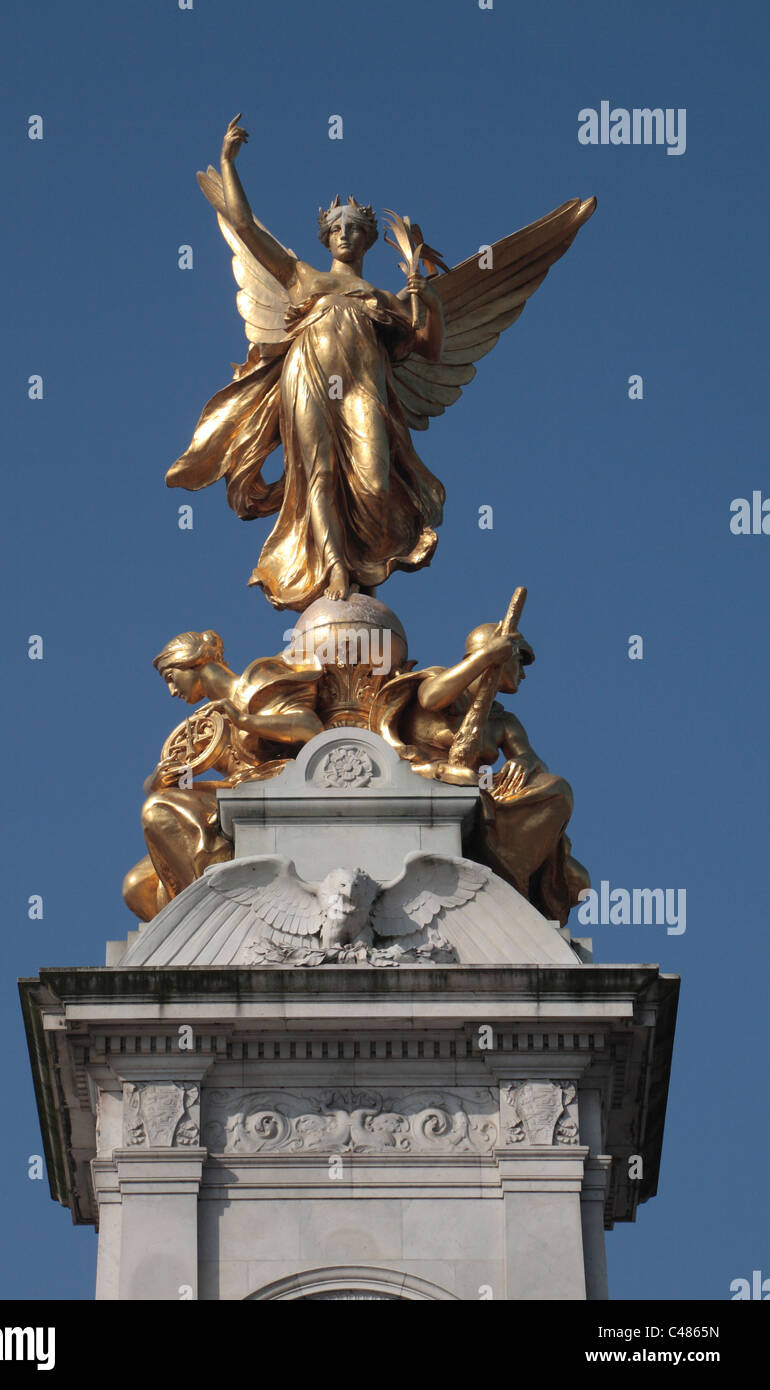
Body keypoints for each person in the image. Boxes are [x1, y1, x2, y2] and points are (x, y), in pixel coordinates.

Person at [166, 115, 446, 610]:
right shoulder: (301, 278)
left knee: (374, 480)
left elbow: (428, 348)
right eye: (335, 228)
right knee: (316, 474)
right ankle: (334, 565)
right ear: (325, 237)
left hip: (363, 388)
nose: (343, 234)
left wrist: (431, 302)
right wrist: (230, 163)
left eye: (353, 228)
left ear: (366, 239)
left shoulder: (384, 296)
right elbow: (246, 227)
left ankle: (367, 561)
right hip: (308, 380)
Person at [371, 623, 589, 924]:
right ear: (497, 655)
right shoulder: (438, 683)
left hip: (482, 795)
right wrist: (486, 658)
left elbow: (530, 757)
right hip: (424, 780)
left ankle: (509, 875)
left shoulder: (502, 719)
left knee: (575, 875)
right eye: (519, 660)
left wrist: (523, 762)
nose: (523, 673)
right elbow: (431, 699)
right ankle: (508, 886)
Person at [122, 629, 322, 921]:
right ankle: (197, 921)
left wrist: (244, 719)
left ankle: (211, 914)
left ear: (192, 663)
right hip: (237, 791)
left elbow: (310, 728)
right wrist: (157, 782)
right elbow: (192, 773)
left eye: (171, 678)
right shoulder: (209, 721)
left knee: (157, 808)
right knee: (137, 887)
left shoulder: (258, 681)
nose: (172, 691)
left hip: (274, 783)